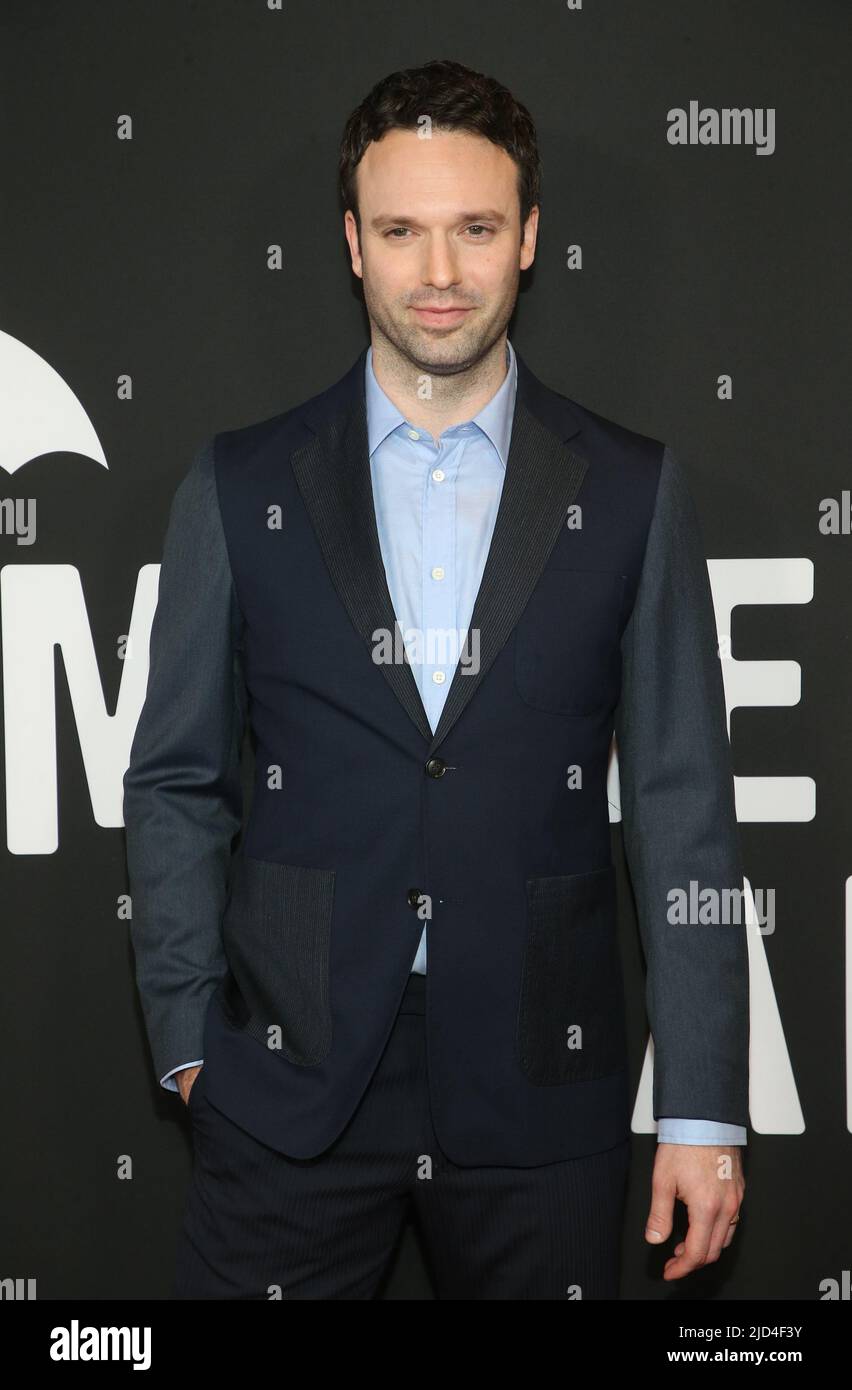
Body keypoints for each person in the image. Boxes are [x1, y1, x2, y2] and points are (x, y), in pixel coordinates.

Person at [122, 57, 748, 1300]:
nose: (441, 272)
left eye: (475, 228)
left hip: (541, 1085)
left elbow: (682, 806)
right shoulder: (240, 485)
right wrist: (192, 1040)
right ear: (352, 244)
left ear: (530, 241)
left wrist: (704, 1111)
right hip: (288, 1080)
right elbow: (179, 778)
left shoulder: (631, 490)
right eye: (403, 230)